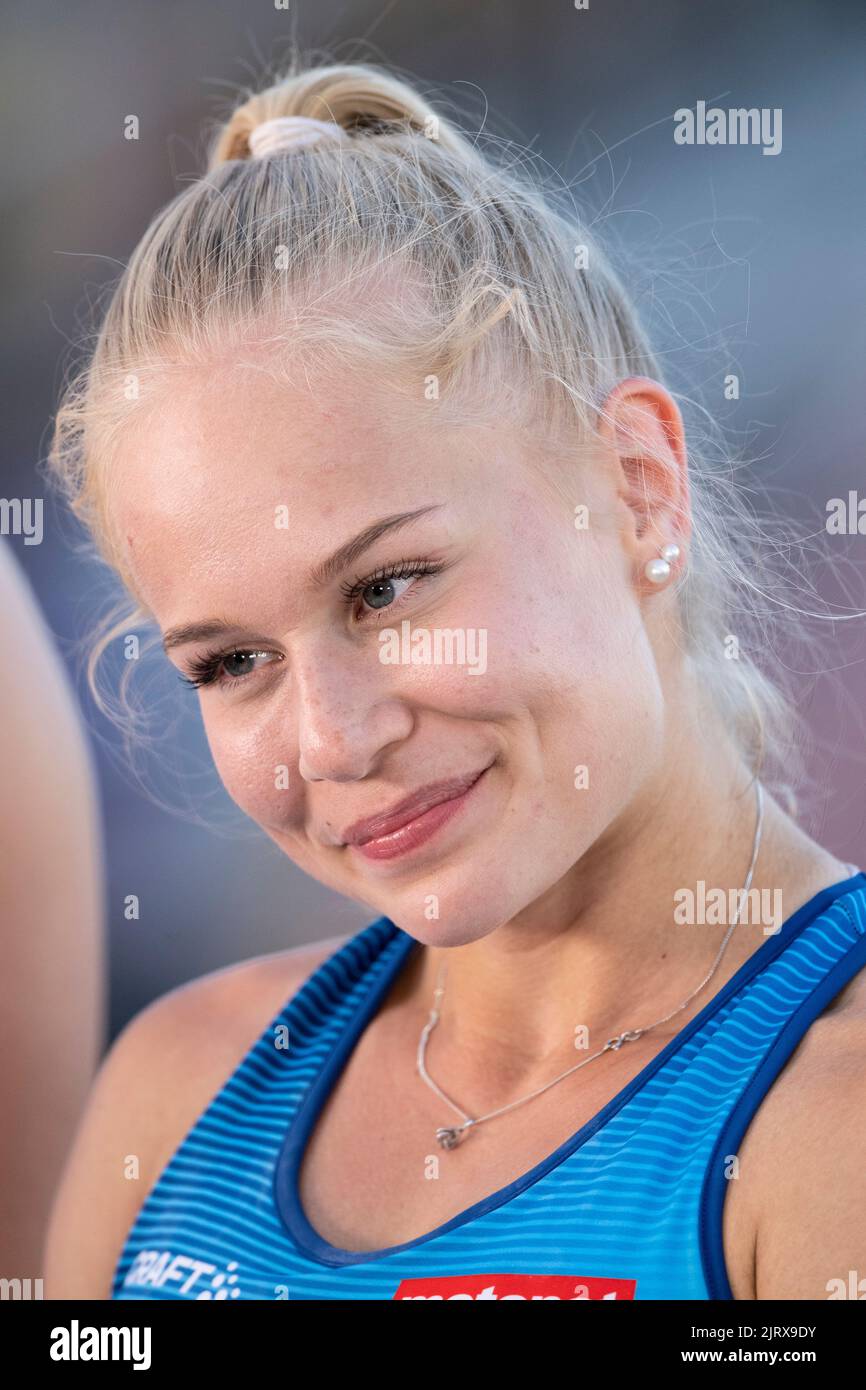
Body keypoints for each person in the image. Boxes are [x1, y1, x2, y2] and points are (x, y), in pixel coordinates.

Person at [42, 61, 866, 1301]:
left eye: (386, 587)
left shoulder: (830, 1119)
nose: (331, 740)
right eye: (232, 663)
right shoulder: (174, 1092)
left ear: (636, 488)